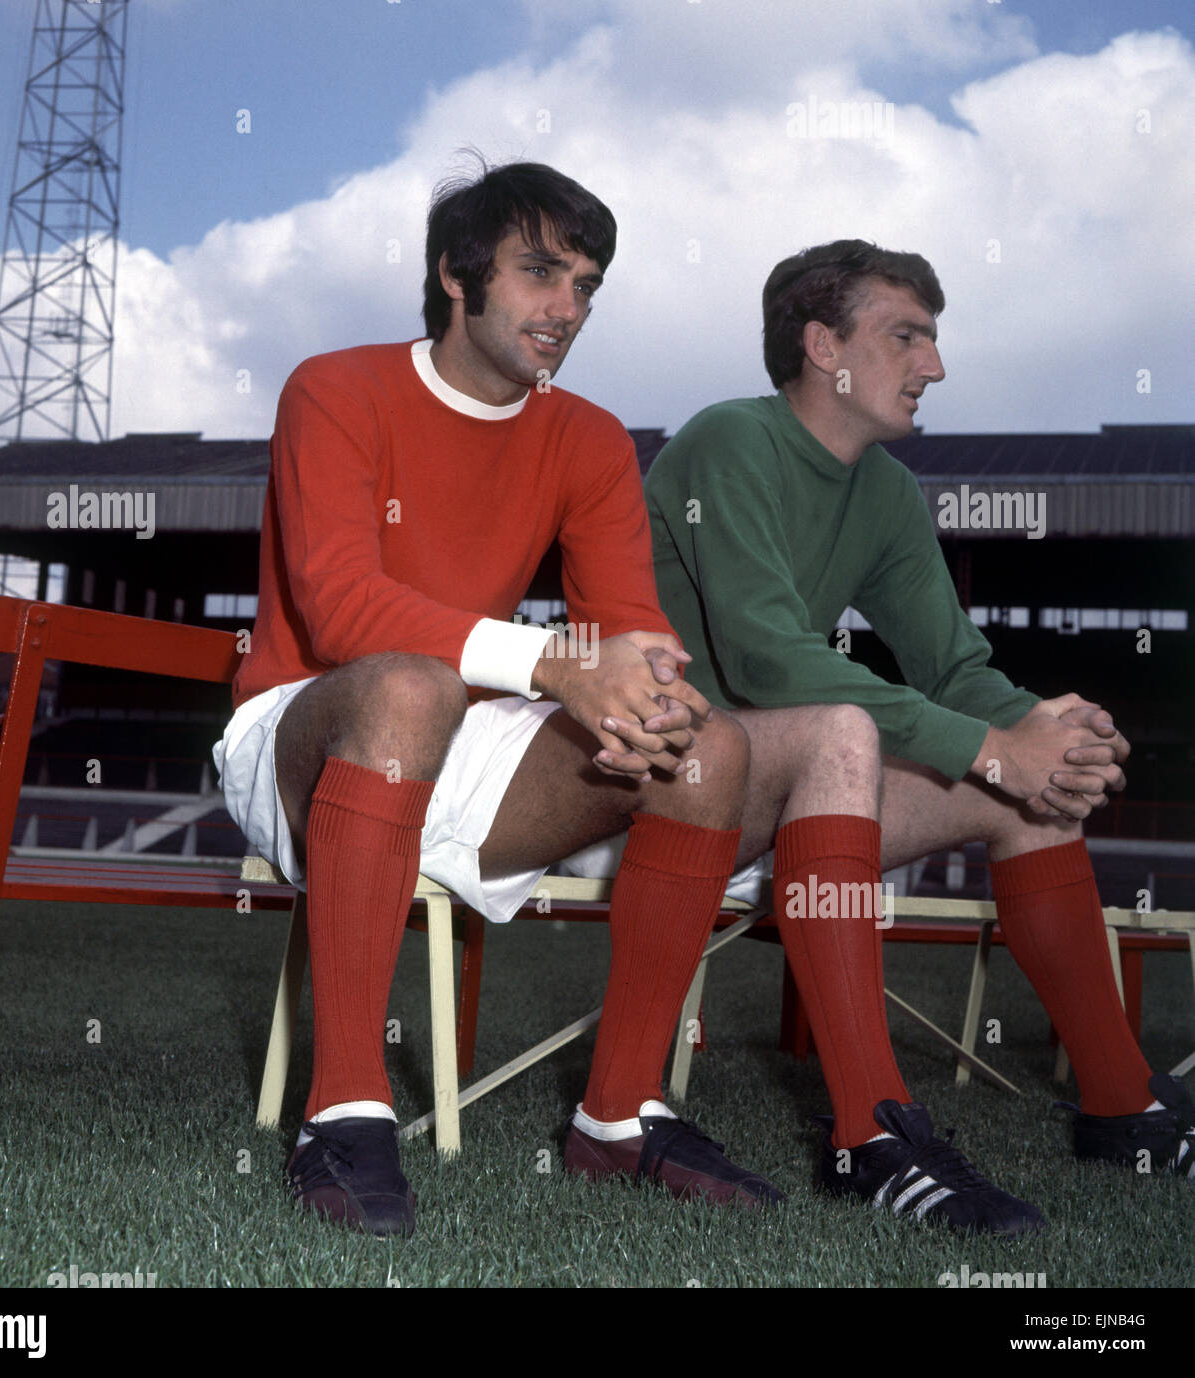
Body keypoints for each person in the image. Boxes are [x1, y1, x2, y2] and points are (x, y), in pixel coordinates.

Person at [212, 159, 779, 1238]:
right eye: (539, 272)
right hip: (304, 723)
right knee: (407, 687)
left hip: (463, 720)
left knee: (712, 750)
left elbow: (625, 626)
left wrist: (652, 689)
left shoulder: (589, 437)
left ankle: (619, 1113)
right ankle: (342, 1111)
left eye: (586, 286)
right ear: (457, 275)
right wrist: (562, 665)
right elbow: (338, 610)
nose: (566, 307)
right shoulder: (334, 386)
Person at [644, 239, 1194, 1235]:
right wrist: (989, 746)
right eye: (906, 336)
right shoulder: (728, 440)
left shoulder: (885, 490)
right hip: (661, 786)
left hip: (788, 788)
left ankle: (1123, 1107)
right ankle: (871, 1133)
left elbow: (956, 669)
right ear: (823, 346)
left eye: (933, 341)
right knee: (849, 729)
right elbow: (769, 662)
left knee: (1020, 778)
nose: (932, 366)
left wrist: (1044, 732)